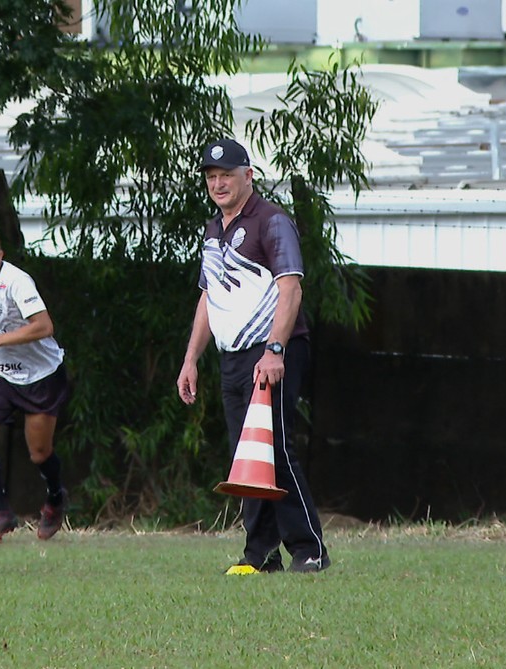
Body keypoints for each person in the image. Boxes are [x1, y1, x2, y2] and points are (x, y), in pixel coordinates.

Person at [177, 138, 331, 574]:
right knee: (246, 455)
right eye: (211, 176)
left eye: (227, 175)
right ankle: (260, 554)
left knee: (275, 448)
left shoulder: (272, 221)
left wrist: (275, 349)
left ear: (249, 176)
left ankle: (309, 549)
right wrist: (191, 359)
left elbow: (291, 289)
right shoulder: (213, 229)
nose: (218, 183)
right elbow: (208, 296)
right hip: (232, 356)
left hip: (273, 352)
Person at [0, 228, 70, 543]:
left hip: (40, 375)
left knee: (39, 452)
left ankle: (56, 499)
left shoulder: (17, 283)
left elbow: (45, 326)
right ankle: (2, 512)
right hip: (1, 373)